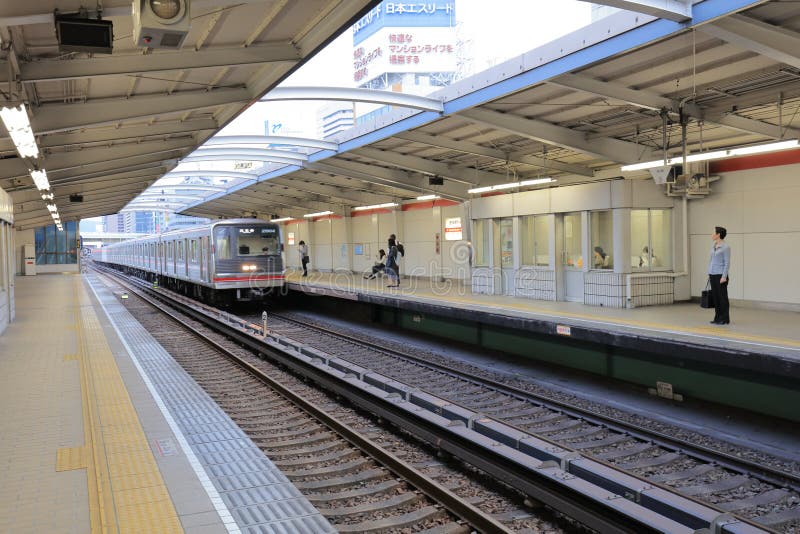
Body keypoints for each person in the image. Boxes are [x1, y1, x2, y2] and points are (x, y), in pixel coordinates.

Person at [708, 226, 731, 325]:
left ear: (718, 234)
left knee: (722, 298)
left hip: (720, 275)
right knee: (716, 297)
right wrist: (709, 272)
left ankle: (724, 318)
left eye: (713, 232)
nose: (711, 234)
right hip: (713, 274)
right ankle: (717, 317)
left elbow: (727, 263)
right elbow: (711, 260)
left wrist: (724, 276)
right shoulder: (714, 245)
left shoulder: (725, 247)